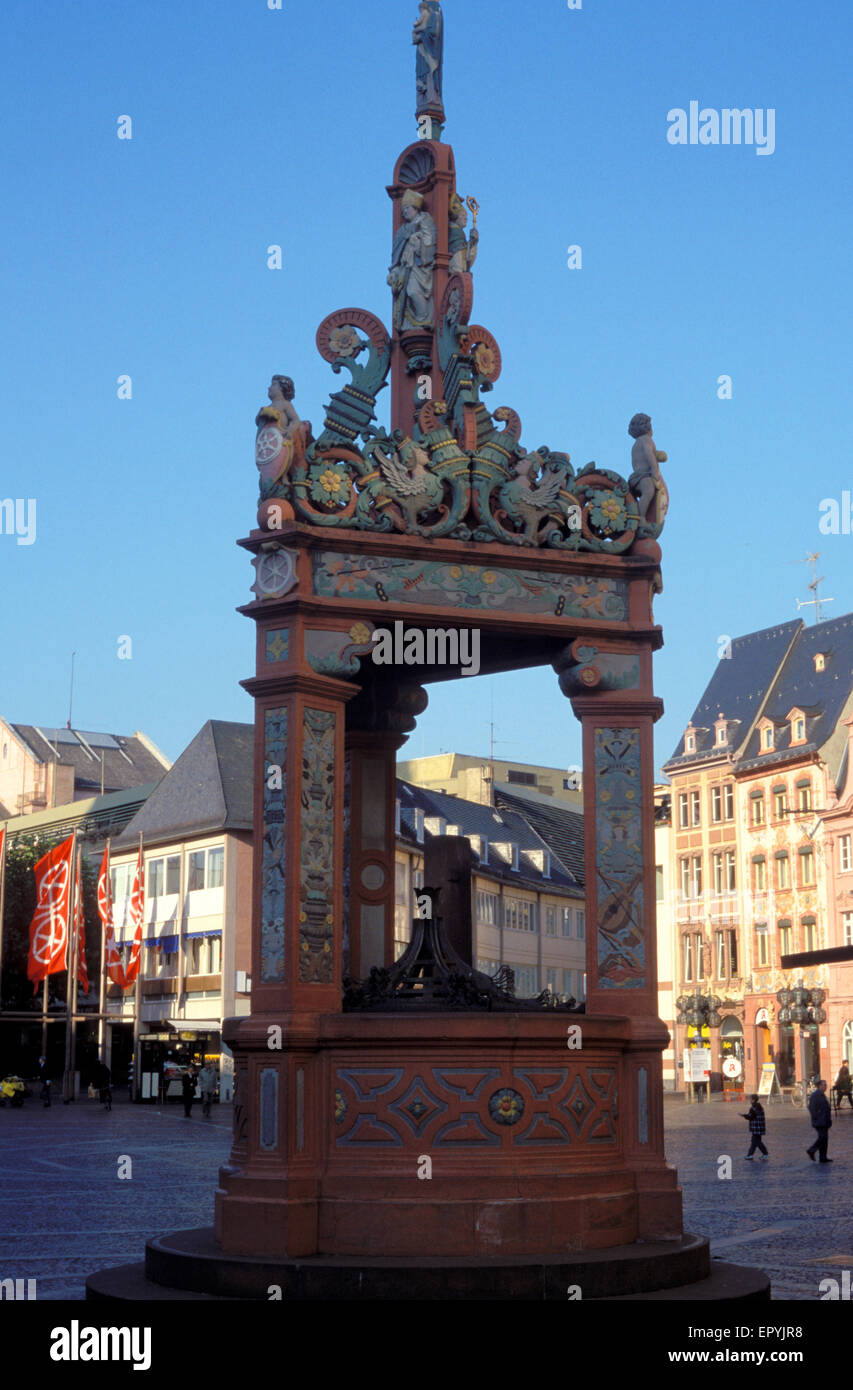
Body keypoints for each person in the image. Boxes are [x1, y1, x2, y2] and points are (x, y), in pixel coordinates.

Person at [807, 1079, 833, 1163]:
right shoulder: (815, 1095)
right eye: (823, 1085)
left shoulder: (822, 1095)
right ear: (819, 1086)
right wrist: (817, 1117)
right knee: (822, 1138)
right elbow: (811, 1108)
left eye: (826, 1085)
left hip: (824, 1121)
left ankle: (823, 1157)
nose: (825, 1086)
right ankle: (811, 1150)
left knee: (824, 1139)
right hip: (819, 1121)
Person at [741, 1094, 768, 1159]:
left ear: (753, 1100)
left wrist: (743, 1115)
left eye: (750, 1099)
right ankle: (750, 1155)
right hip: (760, 1127)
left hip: (756, 1127)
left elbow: (751, 1117)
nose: (749, 1100)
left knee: (757, 1142)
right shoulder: (759, 1106)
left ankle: (765, 1153)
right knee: (754, 1142)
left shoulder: (753, 1107)